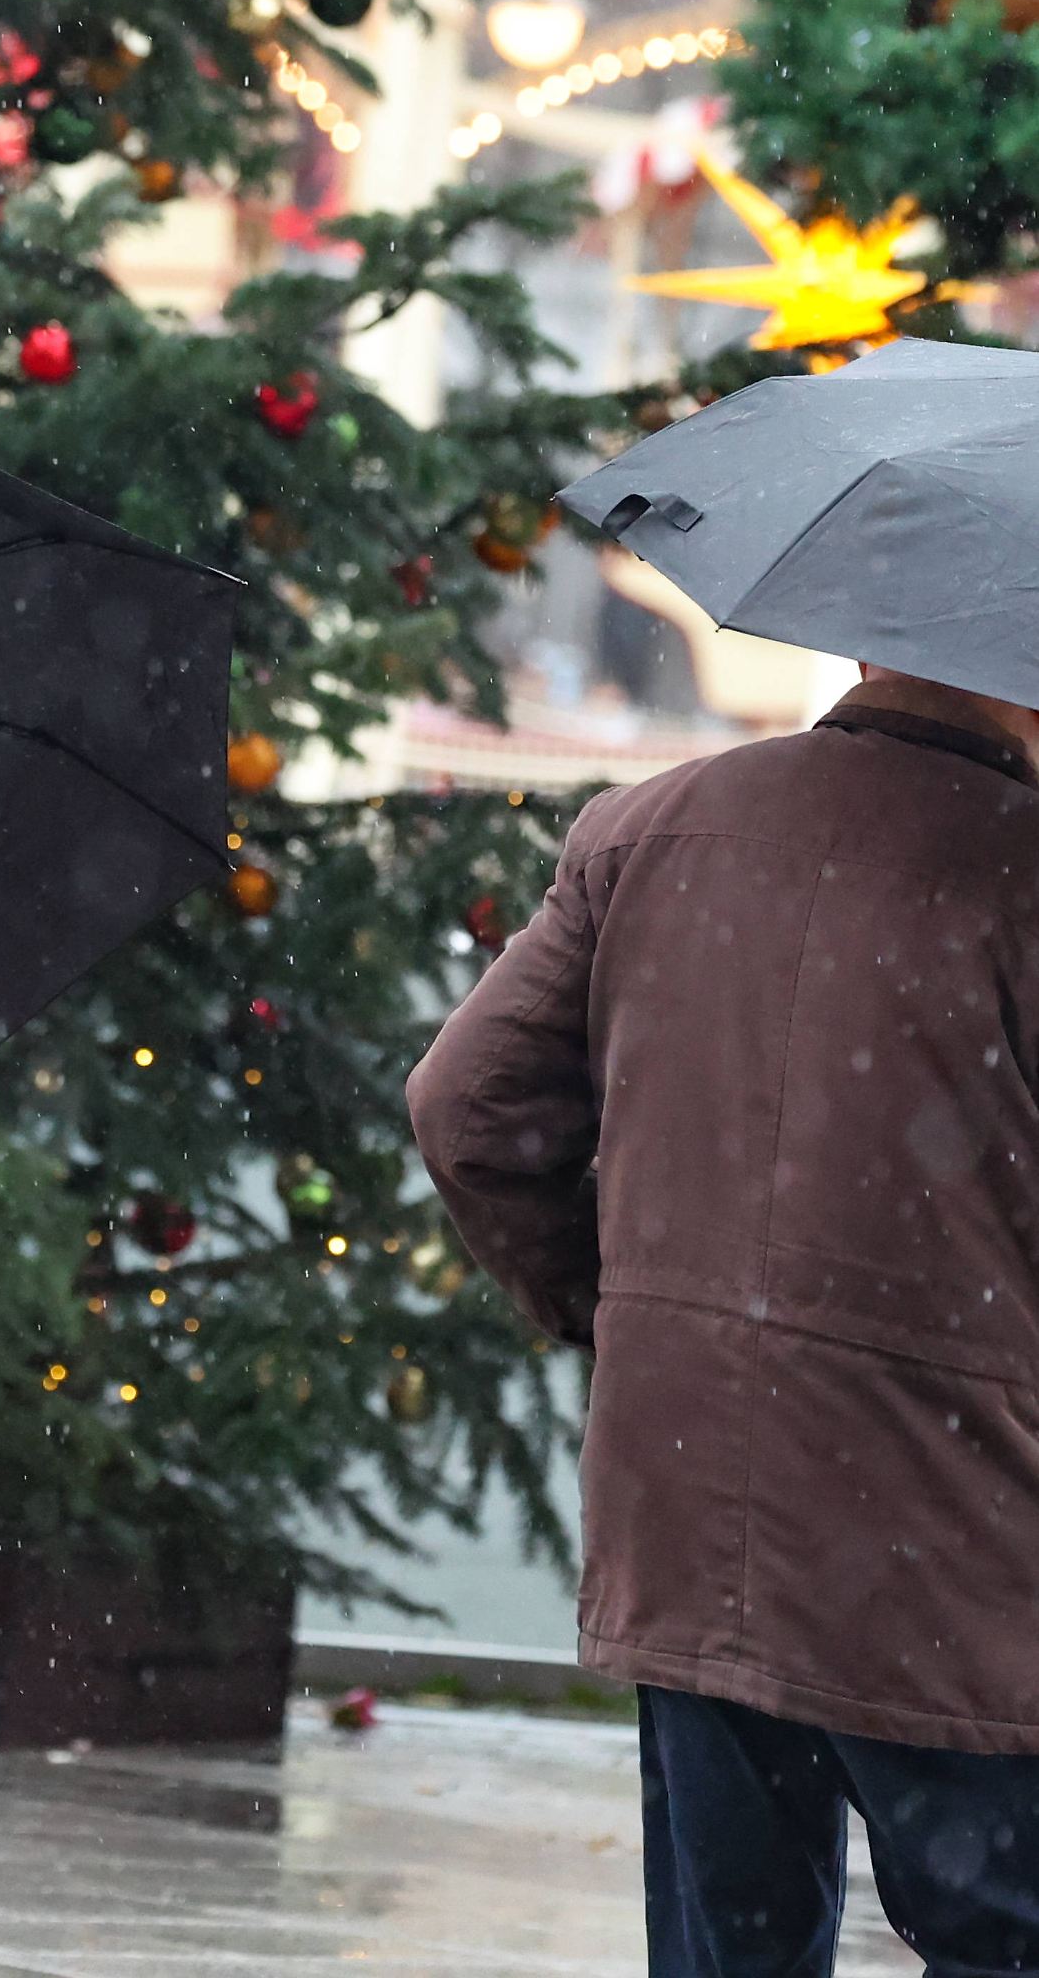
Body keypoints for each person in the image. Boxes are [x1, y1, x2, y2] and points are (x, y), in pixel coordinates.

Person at [408, 669, 1039, 1977]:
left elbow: (465, 1109)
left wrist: (632, 1314)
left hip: (689, 1496)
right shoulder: (1019, 870)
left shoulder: (648, 830)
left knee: (728, 1947)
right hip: (955, 1530)